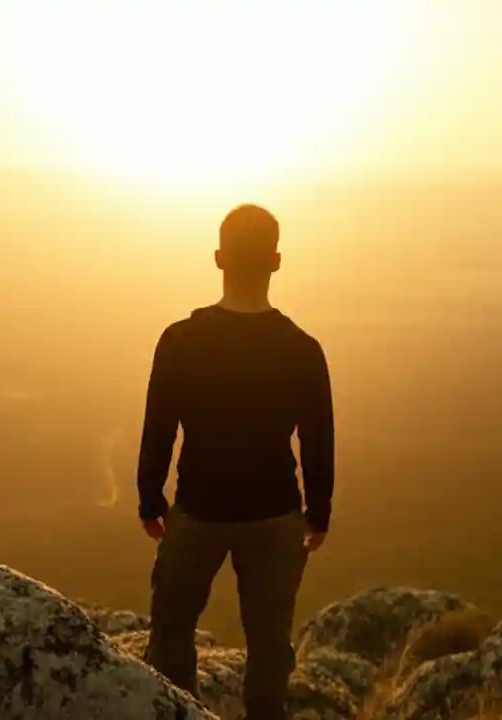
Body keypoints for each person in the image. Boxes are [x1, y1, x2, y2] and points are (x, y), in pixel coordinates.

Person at [136, 204, 335, 720]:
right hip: (274, 515)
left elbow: (160, 425)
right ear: (276, 260)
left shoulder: (180, 340)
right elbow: (317, 439)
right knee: (270, 644)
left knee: (173, 630)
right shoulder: (302, 349)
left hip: (198, 509)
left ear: (219, 257)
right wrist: (319, 511)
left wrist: (149, 497)